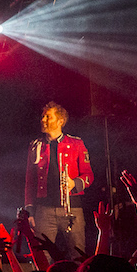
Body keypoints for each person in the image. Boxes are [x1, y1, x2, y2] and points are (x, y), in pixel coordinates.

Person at [24, 102, 93, 260]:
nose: (43, 119)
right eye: (43, 116)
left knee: (77, 254)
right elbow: (30, 182)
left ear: (60, 120)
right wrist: (30, 212)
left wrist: (74, 183)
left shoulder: (76, 144)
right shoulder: (35, 146)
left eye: (48, 116)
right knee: (42, 256)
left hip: (72, 209)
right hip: (44, 210)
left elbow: (89, 175)